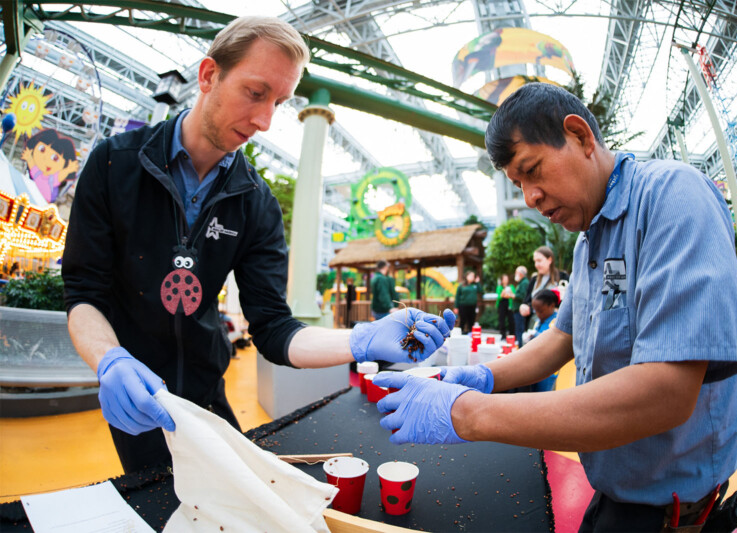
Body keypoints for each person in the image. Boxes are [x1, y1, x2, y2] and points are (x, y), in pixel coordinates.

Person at [62, 16, 455, 474]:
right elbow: (84, 292)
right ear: (209, 75)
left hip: (208, 390)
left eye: (279, 102)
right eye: (255, 92)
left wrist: (362, 339)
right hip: (137, 390)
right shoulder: (115, 164)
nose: (265, 121)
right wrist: (110, 361)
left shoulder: (255, 203)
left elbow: (273, 329)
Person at [373, 82, 737, 531]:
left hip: (670, 512)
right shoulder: (589, 238)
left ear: (581, 136)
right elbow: (560, 338)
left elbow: (666, 391)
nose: (530, 197)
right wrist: (485, 375)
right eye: (518, 183)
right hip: (614, 490)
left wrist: (467, 411)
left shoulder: (672, 197)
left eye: (533, 171)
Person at [519, 246, 567, 326]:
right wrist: (523, 307)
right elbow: (527, 301)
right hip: (535, 324)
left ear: (550, 260)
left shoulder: (562, 278)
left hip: (555, 324)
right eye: (535, 261)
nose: (536, 265)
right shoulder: (534, 280)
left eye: (539, 261)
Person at [528, 289, 558, 392]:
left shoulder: (556, 322)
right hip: (535, 366)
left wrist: (535, 335)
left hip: (549, 370)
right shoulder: (539, 321)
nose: (538, 314)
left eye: (541, 311)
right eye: (535, 311)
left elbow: (551, 341)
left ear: (552, 306)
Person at [511, 265, 528, 347]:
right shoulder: (521, 282)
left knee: (520, 330)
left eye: (516, 272)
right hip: (517, 309)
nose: (515, 274)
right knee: (518, 329)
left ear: (521, 273)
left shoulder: (524, 283)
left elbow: (523, 296)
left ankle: (521, 347)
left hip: (520, 310)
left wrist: (513, 295)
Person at [494, 273, 515, 341]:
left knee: (511, 320)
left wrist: (509, 293)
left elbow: (513, 295)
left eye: (507, 278)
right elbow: (499, 297)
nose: (506, 280)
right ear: (502, 280)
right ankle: (503, 335)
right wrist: (503, 294)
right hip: (502, 304)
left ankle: (512, 335)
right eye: (504, 279)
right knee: (501, 320)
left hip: (509, 305)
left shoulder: (511, 286)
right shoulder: (499, 287)